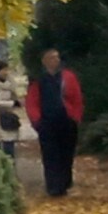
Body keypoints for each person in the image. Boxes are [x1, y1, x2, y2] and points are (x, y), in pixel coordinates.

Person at [31, 49, 85, 199]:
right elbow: (33, 101)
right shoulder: (39, 80)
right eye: (51, 58)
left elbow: (77, 97)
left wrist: (76, 116)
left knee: (67, 153)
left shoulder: (68, 77)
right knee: (50, 154)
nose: (55, 60)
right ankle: (53, 186)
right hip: (47, 122)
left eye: (57, 57)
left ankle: (65, 182)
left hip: (67, 120)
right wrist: (37, 120)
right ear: (44, 61)